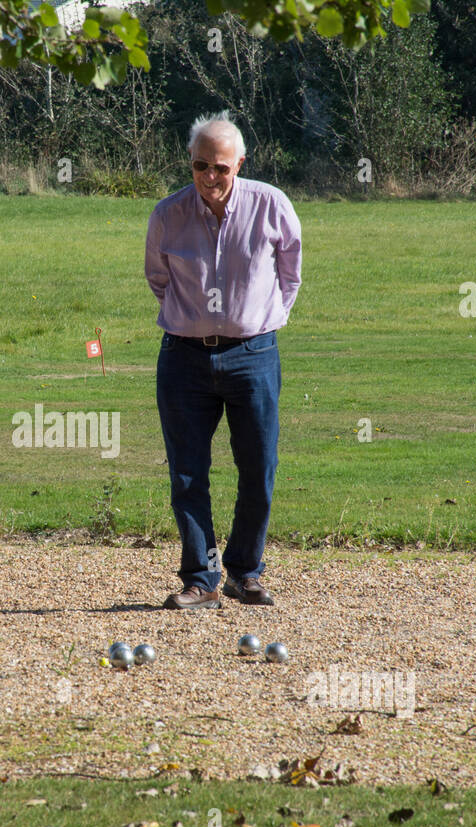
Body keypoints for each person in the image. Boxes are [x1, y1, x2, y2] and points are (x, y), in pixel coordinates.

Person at [144, 111, 302, 610]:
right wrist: (196, 322)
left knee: (259, 467)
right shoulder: (167, 215)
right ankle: (201, 578)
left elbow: (290, 274)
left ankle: (244, 571)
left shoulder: (272, 206)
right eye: (199, 166)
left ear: (240, 163)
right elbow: (158, 279)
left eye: (221, 167)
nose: (210, 177)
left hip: (253, 355)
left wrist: (256, 320)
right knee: (187, 473)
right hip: (183, 358)